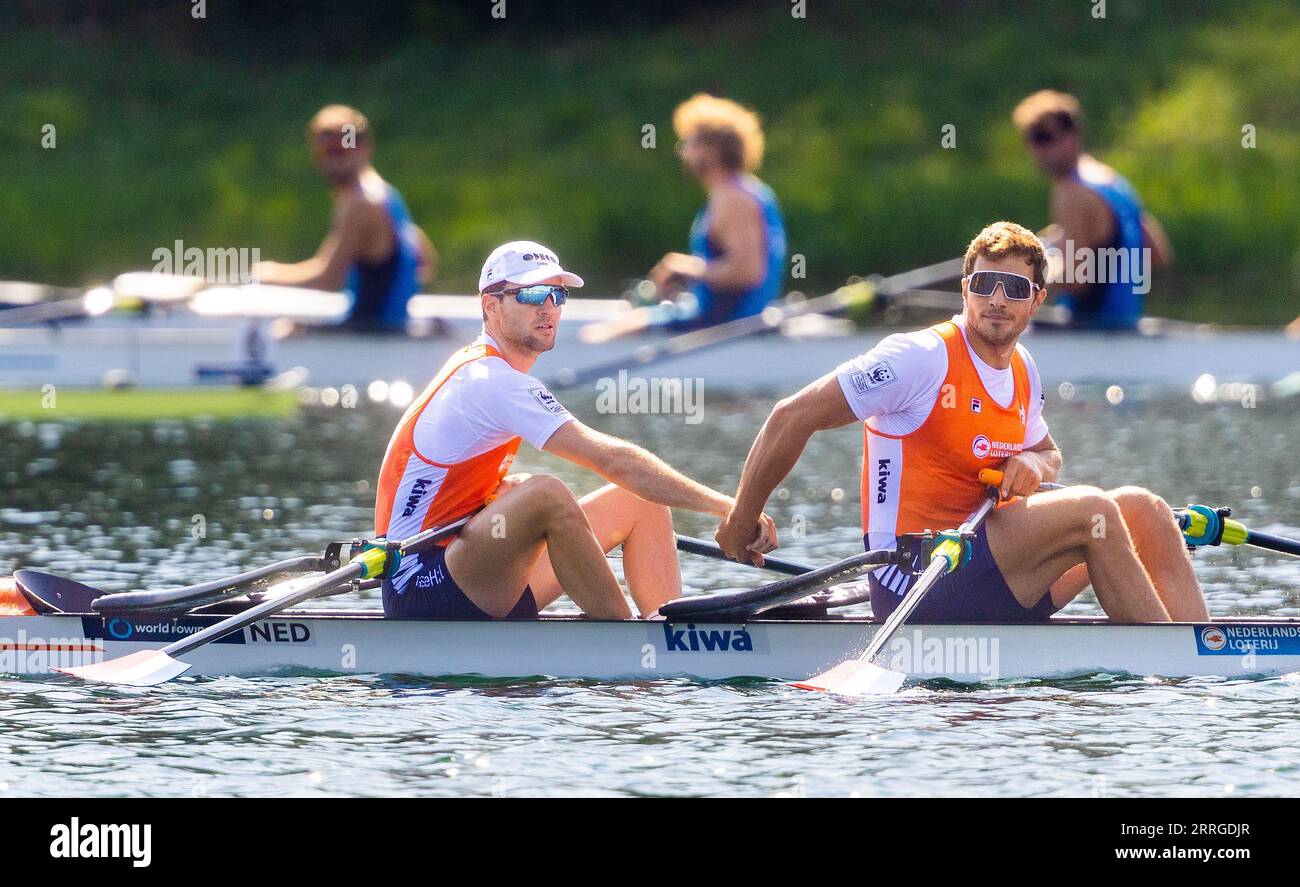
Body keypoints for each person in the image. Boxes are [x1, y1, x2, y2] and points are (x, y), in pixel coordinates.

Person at [715, 221, 1209, 625]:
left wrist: (1033, 463)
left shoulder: (1023, 368)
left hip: (984, 570)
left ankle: (1201, 659)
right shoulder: (920, 357)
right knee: (1093, 511)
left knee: (1143, 508)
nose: (997, 299)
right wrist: (741, 520)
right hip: (914, 578)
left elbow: (1050, 451)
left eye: (1014, 288)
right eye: (984, 285)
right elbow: (790, 417)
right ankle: (1165, 667)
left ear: (1036, 301)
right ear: (964, 291)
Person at [375, 240, 775, 620]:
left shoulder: (491, 372)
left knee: (640, 501)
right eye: (531, 295)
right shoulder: (488, 378)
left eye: (557, 295)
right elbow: (614, 460)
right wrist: (732, 508)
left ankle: (668, 636)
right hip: (419, 585)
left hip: (466, 568)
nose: (548, 308)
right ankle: (626, 639)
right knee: (548, 494)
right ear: (490, 306)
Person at [580, 93, 786, 343]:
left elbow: (748, 272)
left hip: (728, 323)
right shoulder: (748, 190)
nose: (683, 151)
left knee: (596, 336)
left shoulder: (733, 199)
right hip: (723, 315)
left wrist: (683, 268)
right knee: (633, 317)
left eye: (688, 143)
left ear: (709, 149)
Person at [253, 104, 436, 331]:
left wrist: (264, 275)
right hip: (386, 329)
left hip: (372, 338)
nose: (333, 160)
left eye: (343, 149)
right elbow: (425, 263)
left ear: (364, 148)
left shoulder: (362, 203)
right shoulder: (387, 196)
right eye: (326, 151)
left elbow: (326, 280)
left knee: (283, 331)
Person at [1013, 90, 1172, 330]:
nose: (1038, 149)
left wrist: (1023, 274)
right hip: (1125, 326)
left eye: (1045, 137)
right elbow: (1158, 253)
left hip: (1090, 328)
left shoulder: (1070, 193)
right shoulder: (1114, 182)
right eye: (1032, 139)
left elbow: (1076, 280)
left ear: (1073, 136)